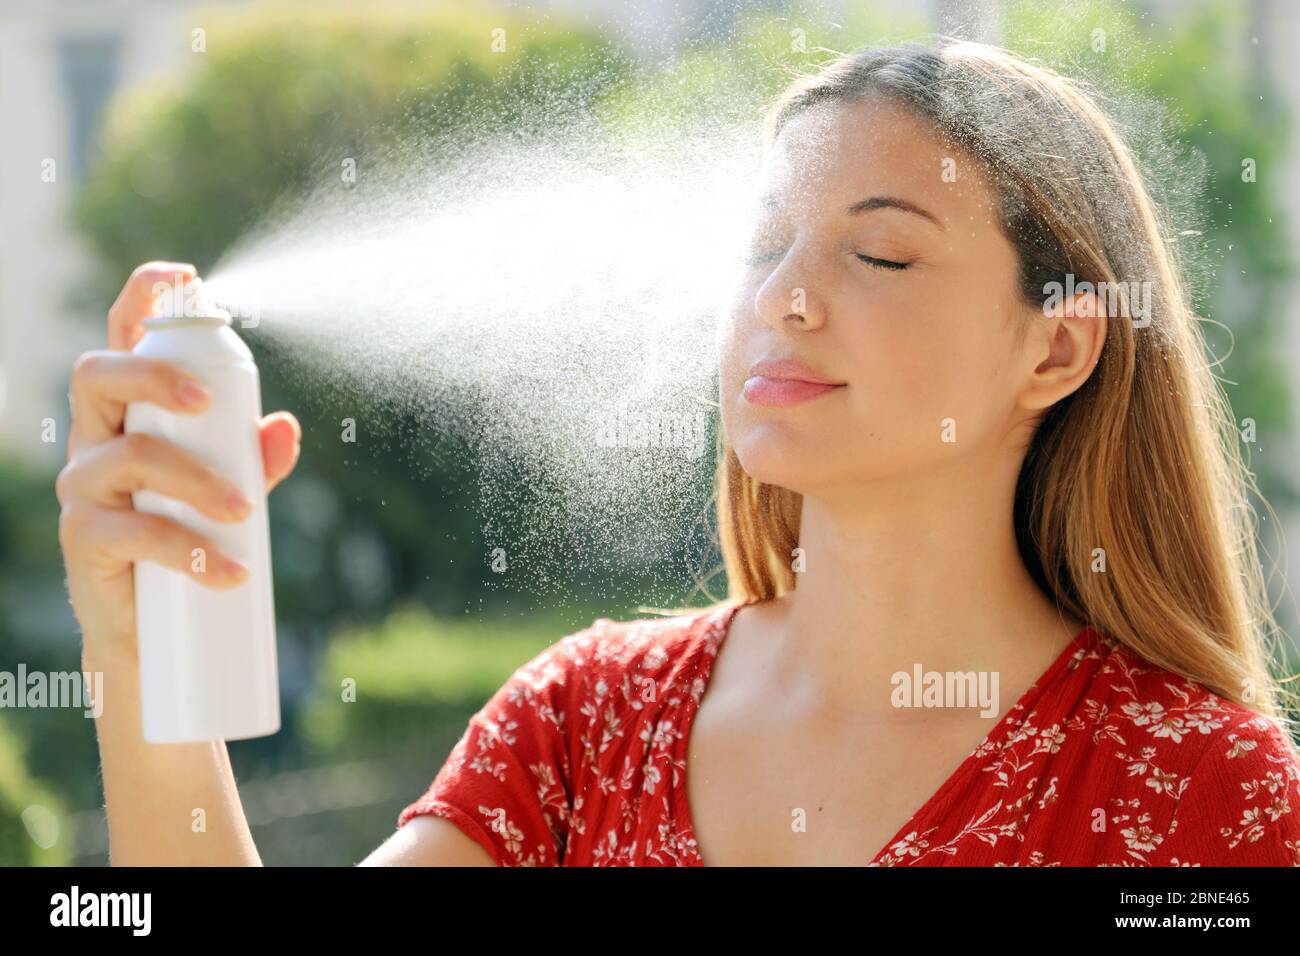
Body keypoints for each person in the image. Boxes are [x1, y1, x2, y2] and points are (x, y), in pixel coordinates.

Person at [58, 40, 1300, 866]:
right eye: (762, 247)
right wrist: (134, 646)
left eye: (879, 252)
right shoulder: (583, 722)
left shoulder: (1198, 791)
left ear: (1056, 350)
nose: (786, 298)